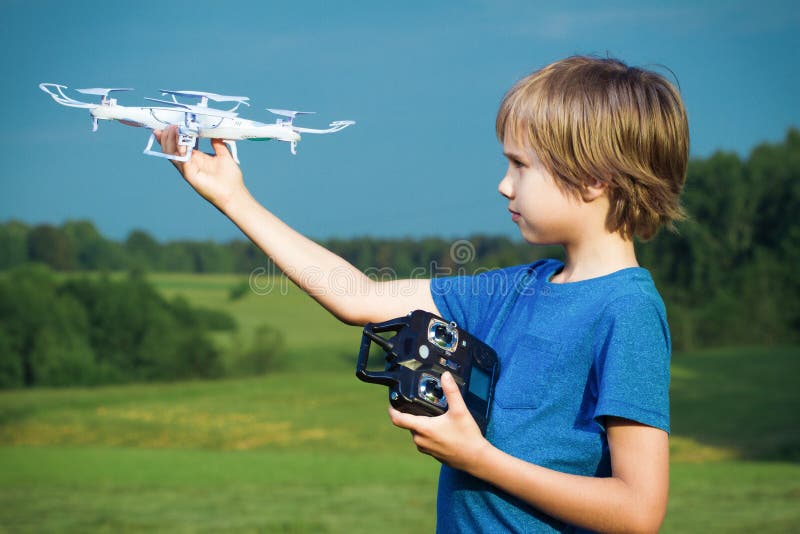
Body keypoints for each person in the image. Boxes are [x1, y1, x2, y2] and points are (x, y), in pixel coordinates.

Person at [155, 54, 688, 533]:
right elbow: (357, 296)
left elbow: (638, 511)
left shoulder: (628, 312)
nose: (504, 185)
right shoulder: (514, 289)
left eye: (521, 165)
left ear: (594, 178)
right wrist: (233, 197)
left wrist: (478, 459)